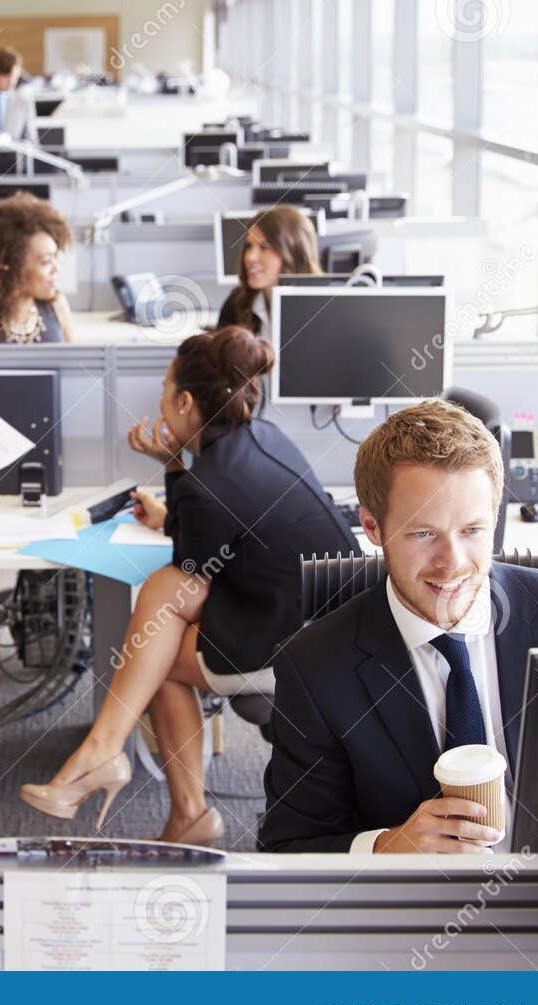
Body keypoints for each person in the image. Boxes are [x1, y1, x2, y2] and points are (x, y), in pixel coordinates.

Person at [19, 327, 360, 846]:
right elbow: (209, 542)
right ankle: (153, 790)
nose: (158, 399)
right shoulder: (263, 439)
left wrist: (178, 473)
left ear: (184, 400)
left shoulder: (210, 485)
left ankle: (129, 769)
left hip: (289, 640)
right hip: (321, 616)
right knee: (159, 622)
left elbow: (193, 565)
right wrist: (175, 468)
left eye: (163, 389)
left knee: (152, 650)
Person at [258, 399, 538, 854]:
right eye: (423, 534)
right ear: (372, 526)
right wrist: (388, 847)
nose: (451, 563)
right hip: (419, 907)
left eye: (472, 530)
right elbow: (288, 846)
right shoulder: (314, 666)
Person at [0, 194, 76, 343]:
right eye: (46, 261)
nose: (56, 270)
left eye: (55, 258)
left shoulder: (56, 306)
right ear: (6, 262)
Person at [216, 205, 322, 337]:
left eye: (264, 247)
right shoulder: (237, 303)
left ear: (293, 252)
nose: (250, 257)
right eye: (249, 246)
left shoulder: (320, 310)